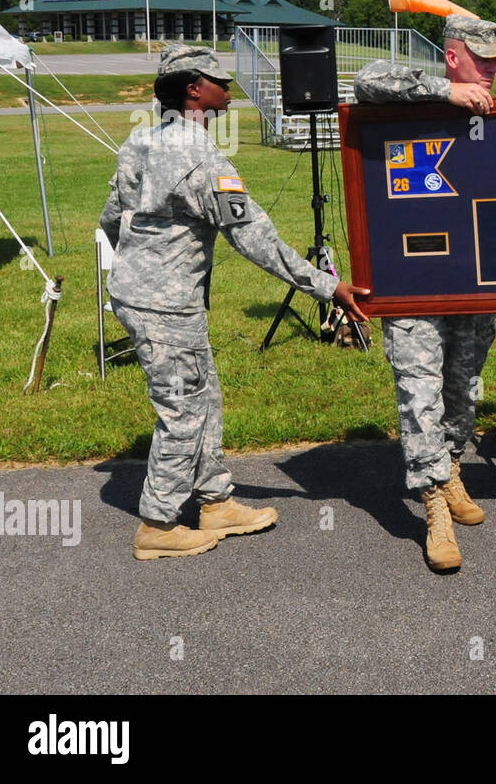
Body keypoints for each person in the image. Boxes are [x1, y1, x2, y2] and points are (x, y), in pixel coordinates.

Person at [101, 44, 370, 560]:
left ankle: (216, 499)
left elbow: (114, 215)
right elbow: (253, 237)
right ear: (194, 89)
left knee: (205, 395)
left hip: (147, 294)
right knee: (182, 407)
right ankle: (158, 523)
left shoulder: (140, 141)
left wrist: (141, 266)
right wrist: (326, 284)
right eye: (219, 81)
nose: (229, 89)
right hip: (165, 304)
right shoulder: (201, 156)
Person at [354, 16, 496, 574]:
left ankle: (452, 468)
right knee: (419, 392)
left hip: (473, 287)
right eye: (483, 61)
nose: (493, 70)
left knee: (464, 388)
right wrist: (445, 93)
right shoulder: (414, 95)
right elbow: (365, 79)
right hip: (411, 288)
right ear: (453, 57)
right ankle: (434, 506)